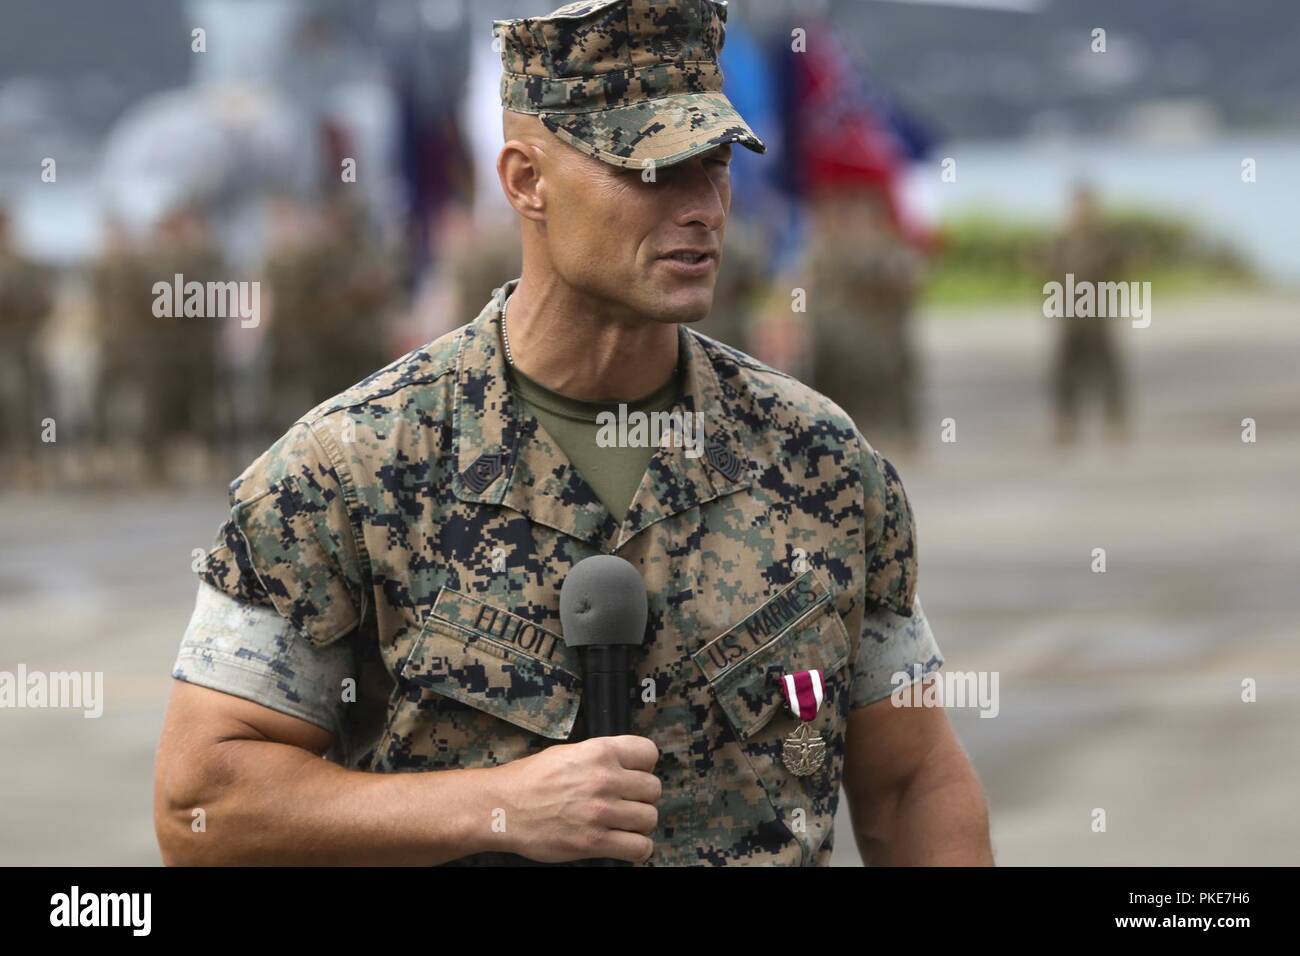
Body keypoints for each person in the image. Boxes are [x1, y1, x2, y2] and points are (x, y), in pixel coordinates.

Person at [154, 0, 991, 867]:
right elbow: (202, 803)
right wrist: (493, 808)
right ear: (525, 180)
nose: (703, 208)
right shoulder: (348, 470)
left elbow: (912, 781)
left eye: (714, 166)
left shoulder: (822, 464)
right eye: (653, 171)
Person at [1047, 182, 1129, 443]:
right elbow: (1051, 273)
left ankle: (1115, 423)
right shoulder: (1062, 240)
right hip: (1070, 316)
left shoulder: (1105, 240)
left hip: (1098, 315)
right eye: (1078, 206)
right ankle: (1066, 423)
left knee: (1108, 369)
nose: (1081, 211)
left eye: (1086, 206)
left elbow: (1122, 268)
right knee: (1065, 372)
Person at [0, 206, 55, 480]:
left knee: (28, 401)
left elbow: (44, 302)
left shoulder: (26, 265)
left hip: (22, 342)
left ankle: (28, 460)